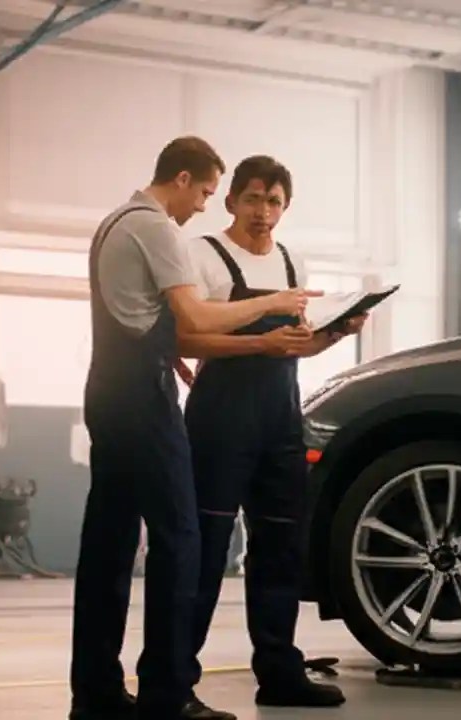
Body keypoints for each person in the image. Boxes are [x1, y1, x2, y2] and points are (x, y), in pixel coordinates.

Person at [69, 137, 320, 720]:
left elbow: (140, 315)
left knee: (107, 547)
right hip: (143, 398)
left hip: (112, 389)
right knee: (183, 541)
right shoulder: (156, 227)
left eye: (273, 200)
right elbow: (197, 317)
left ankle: (98, 692)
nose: (202, 205)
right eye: (209, 192)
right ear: (183, 179)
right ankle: (168, 694)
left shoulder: (113, 222)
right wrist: (271, 307)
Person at [177, 155, 361, 712]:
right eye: (253, 198)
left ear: (286, 207)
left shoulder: (290, 263)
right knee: (204, 551)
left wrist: (336, 332)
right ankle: (176, 682)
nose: (263, 211)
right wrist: (262, 335)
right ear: (231, 200)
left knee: (281, 547)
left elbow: (297, 345)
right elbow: (185, 337)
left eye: (274, 201)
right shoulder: (202, 255)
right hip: (219, 420)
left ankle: (280, 672)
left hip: (281, 418)